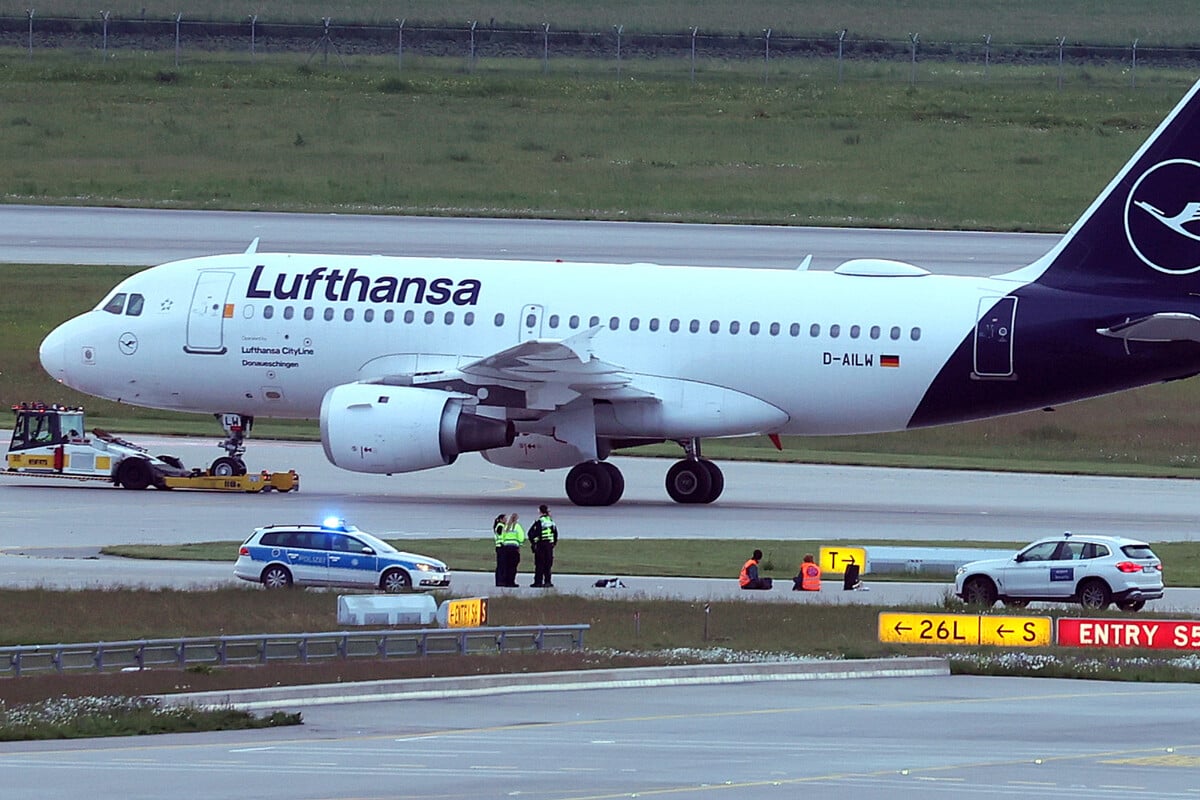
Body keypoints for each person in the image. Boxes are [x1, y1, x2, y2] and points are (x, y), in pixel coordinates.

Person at [528, 504, 558, 587]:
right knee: (548, 564)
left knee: (539, 564)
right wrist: (553, 543)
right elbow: (555, 533)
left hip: (541, 544)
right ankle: (548, 581)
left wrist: (534, 543)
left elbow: (531, 533)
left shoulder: (539, 521)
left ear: (539, 511)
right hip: (549, 545)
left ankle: (538, 582)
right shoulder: (551, 521)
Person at [498, 513, 526, 587]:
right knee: (513, 566)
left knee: (506, 565)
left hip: (506, 547)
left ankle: (506, 581)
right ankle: (511, 582)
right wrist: (520, 543)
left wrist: (504, 543)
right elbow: (521, 536)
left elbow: (502, 536)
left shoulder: (506, 526)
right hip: (514, 547)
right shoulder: (517, 526)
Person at [493, 513, 507, 587]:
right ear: (501, 519)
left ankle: (501, 580)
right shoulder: (500, 526)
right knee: (501, 565)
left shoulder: (501, 526)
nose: (506, 520)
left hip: (501, 547)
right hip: (501, 547)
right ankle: (500, 581)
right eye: (505, 519)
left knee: (502, 564)